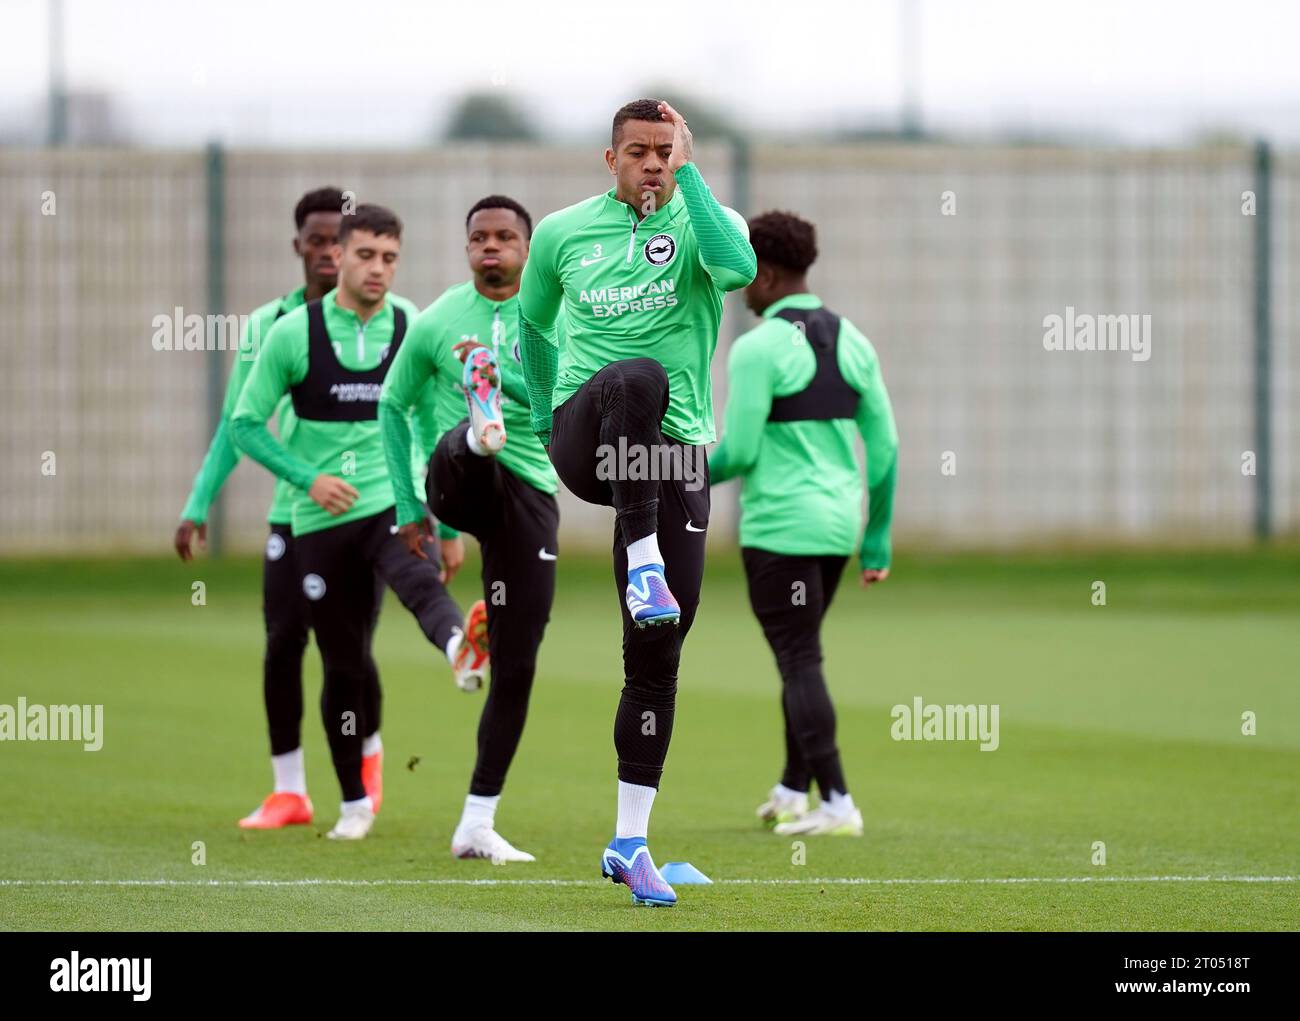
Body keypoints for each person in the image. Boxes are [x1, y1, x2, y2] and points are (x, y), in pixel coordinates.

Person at [517, 99, 755, 905]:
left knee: (660, 649)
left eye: (666, 151)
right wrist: (548, 417)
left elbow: (740, 271)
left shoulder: (701, 218)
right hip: (591, 434)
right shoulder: (559, 234)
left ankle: (630, 841)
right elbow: (533, 325)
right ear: (609, 158)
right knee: (635, 377)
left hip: (674, 456)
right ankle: (641, 559)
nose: (653, 163)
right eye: (640, 152)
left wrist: (692, 177)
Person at [232, 203, 488, 840]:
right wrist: (308, 478)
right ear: (337, 257)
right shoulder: (293, 334)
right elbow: (243, 424)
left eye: (390, 258)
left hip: (392, 502)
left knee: (418, 580)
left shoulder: (413, 326)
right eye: (366, 255)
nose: (379, 269)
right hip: (317, 522)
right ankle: (351, 804)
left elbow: (430, 421)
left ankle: (462, 649)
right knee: (343, 662)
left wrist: (447, 523)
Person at [173, 187, 385, 829]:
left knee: (351, 648)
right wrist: (197, 504)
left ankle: (368, 761)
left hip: (364, 512)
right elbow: (240, 422)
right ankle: (289, 790)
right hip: (293, 515)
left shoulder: (389, 322)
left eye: (337, 242)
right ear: (299, 246)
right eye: (315, 240)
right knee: (282, 642)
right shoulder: (271, 326)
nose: (327, 252)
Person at [380, 195, 561, 864]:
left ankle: (475, 824)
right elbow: (392, 404)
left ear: (527, 249)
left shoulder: (553, 316)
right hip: (457, 480)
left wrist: (498, 371)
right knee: (466, 443)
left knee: (518, 663)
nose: (491, 246)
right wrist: (408, 509)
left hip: (530, 493)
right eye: (479, 237)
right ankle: (477, 427)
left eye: (505, 236)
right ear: (466, 249)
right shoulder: (434, 321)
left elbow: (561, 398)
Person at [709, 210, 898, 837]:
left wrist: (677, 475)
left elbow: (736, 452)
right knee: (803, 657)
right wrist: (876, 536)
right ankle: (795, 787)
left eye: (742, 271)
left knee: (798, 659)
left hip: (779, 530)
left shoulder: (757, 347)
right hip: (838, 529)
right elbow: (887, 448)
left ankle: (839, 803)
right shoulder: (855, 340)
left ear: (763, 272)